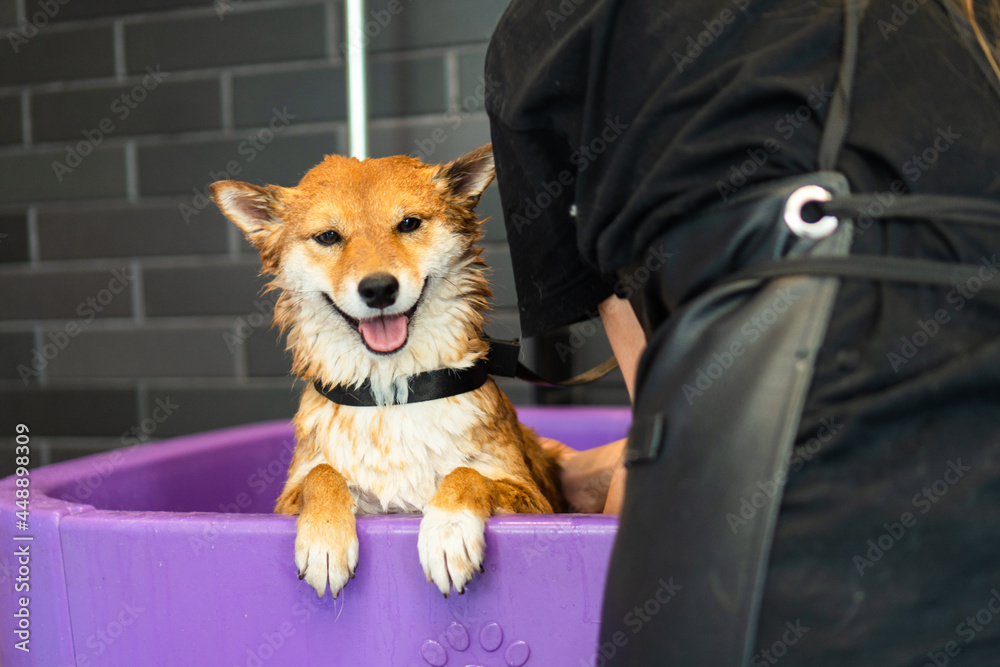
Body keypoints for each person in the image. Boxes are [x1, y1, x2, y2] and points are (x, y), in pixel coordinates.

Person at [485, 0, 1000, 665]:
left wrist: (595, 479)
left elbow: (660, 415)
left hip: (788, 551)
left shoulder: (535, 36)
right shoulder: (961, 19)